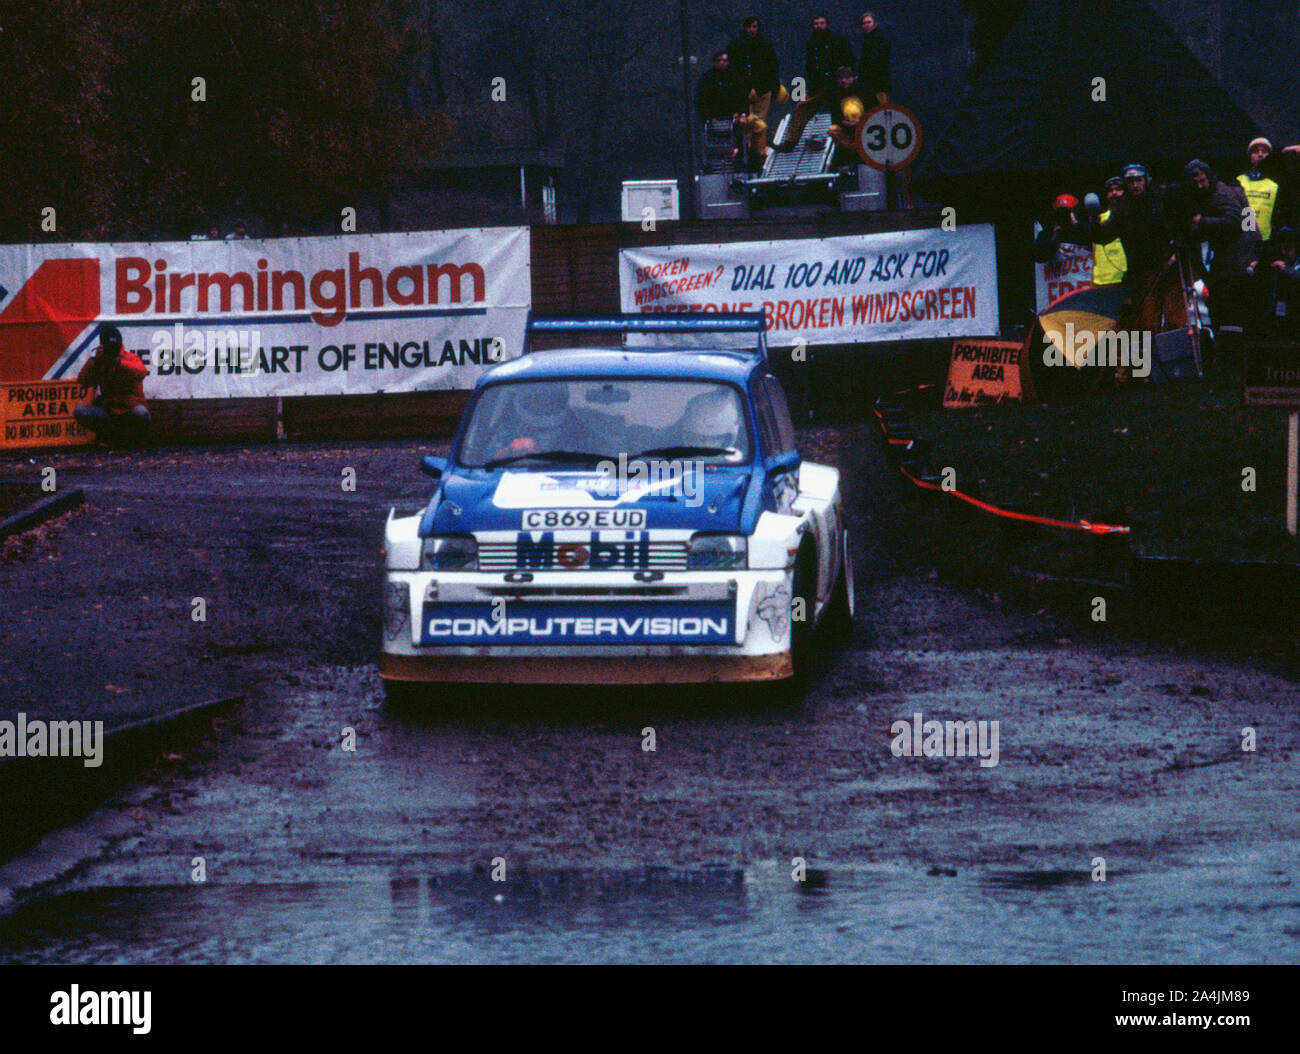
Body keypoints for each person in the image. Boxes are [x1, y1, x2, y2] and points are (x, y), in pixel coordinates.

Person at [1183, 158, 1261, 361]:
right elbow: (1248, 222)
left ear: (1209, 177)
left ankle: (1232, 356)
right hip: (1238, 256)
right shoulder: (1227, 192)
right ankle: (1233, 354)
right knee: (1228, 308)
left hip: (1237, 258)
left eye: (1202, 181)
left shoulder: (1221, 194)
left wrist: (1202, 222)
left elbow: (1234, 222)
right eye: (1195, 183)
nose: (1200, 186)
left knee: (1228, 307)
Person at [777, 14, 855, 150]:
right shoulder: (811, 43)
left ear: (827, 24)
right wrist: (811, 84)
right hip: (818, 85)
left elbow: (848, 60)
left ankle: (845, 146)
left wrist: (844, 78)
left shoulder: (837, 40)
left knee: (841, 114)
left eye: (822, 23)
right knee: (801, 108)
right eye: (816, 24)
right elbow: (810, 66)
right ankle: (790, 142)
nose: (819, 26)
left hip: (835, 85)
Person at [74, 324, 150, 446]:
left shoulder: (131, 358)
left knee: (141, 413)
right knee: (81, 411)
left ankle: (132, 439)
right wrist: (94, 361)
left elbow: (142, 372)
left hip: (130, 410)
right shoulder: (100, 362)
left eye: (114, 346)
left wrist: (119, 363)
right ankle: (110, 437)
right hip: (110, 413)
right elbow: (83, 381)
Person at [726, 16, 782, 168]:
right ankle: (749, 154)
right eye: (749, 27)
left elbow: (773, 67)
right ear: (744, 28)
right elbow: (731, 69)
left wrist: (773, 87)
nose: (751, 30)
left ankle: (759, 155)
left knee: (761, 123)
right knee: (748, 124)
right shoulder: (736, 46)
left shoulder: (765, 45)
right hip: (743, 91)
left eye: (754, 27)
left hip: (763, 90)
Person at [1237, 137, 1280, 245]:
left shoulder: (1277, 183)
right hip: (1242, 240)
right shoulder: (1239, 181)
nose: (1260, 155)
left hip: (1267, 241)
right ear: (1250, 156)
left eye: (1264, 151)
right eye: (1256, 151)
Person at [823, 67, 871, 159]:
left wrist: (861, 121)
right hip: (847, 129)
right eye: (840, 78)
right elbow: (835, 116)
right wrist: (844, 122)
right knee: (833, 130)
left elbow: (873, 110)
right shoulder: (835, 94)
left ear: (854, 78)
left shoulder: (864, 91)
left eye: (847, 77)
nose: (843, 81)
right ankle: (853, 149)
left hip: (866, 128)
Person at [1091, 176, 1128, 286]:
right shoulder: (1099, 218)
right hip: (1101, 279)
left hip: (1124, 277)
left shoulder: (1130, 214)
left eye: (1118, 189)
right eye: (1111, 190)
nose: (1114, 193)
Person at [1033, 193, 1091, 263]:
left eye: (1067, 212)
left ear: (1076, 213)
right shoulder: (1048, 233)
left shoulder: (1084, 228)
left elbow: (1093, 239)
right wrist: (1054, 238)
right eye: (1060, 214)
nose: (1063, 217)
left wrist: (1076, 226)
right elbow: (1039, 256)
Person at [856, 10, 891, 104]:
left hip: (880, 82)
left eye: (869, 22)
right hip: (867, 83)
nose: (866, 25)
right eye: (864, 23)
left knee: (882, 108)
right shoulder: (863, 41)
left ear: (875, 24)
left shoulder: (881, 40)